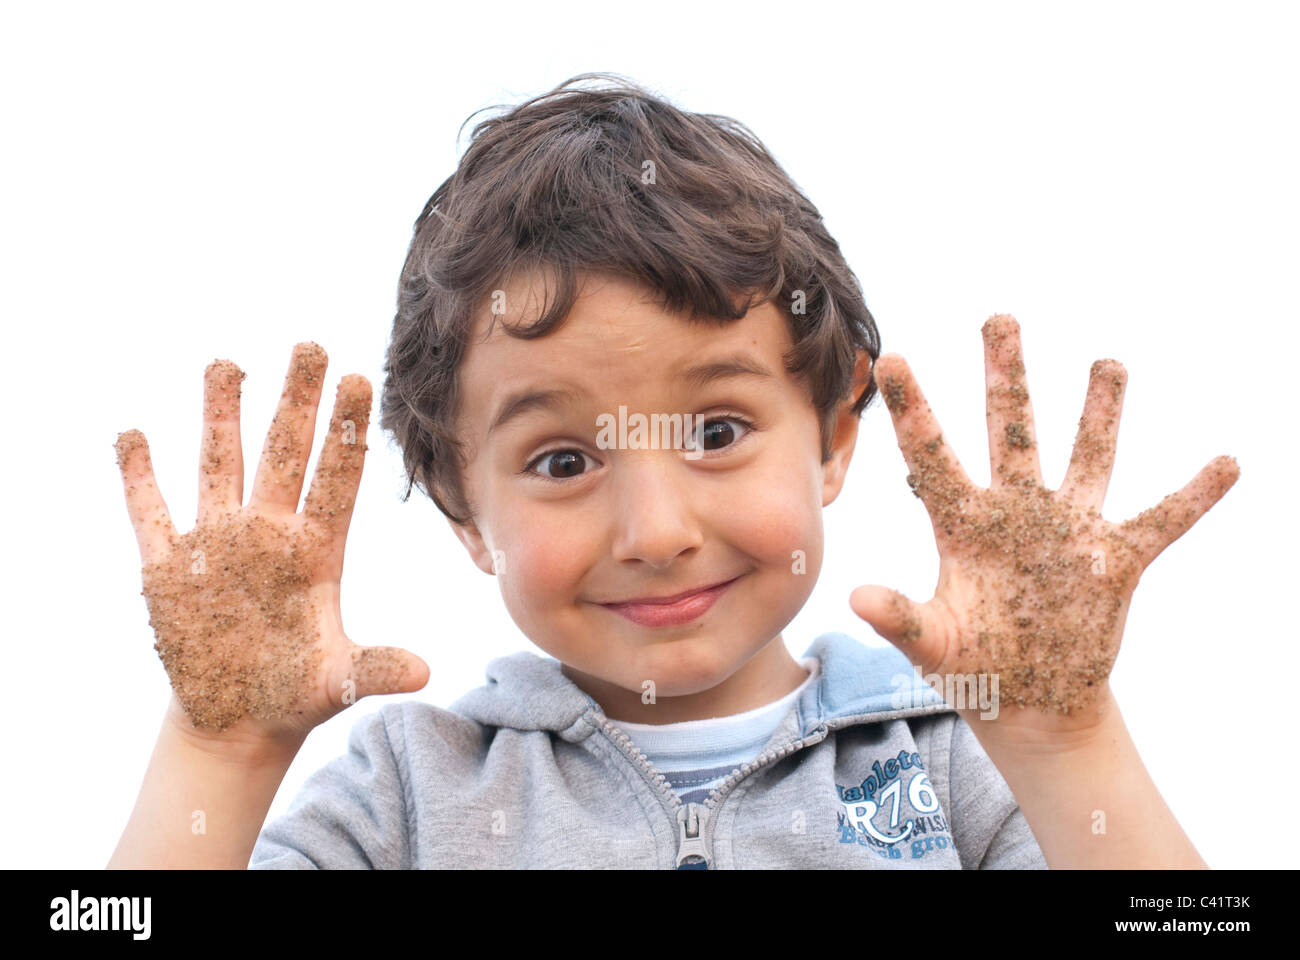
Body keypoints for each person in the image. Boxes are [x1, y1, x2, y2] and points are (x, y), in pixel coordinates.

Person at [109, 73, 1237, 869]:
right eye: (560, 459)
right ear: (462, 510)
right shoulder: (405, 798)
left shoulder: (959, 765)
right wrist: (216, 752)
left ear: (837, 433)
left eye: (713, 433)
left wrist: (1067, 741)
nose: (654, 529)